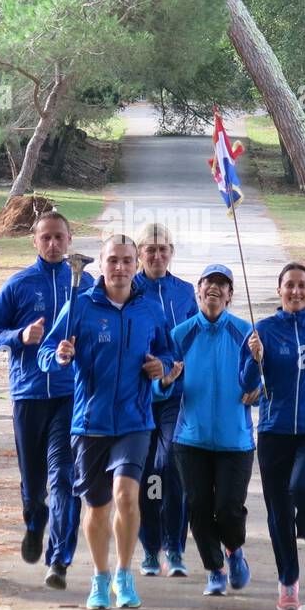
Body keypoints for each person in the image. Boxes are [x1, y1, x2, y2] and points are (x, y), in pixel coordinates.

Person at [38, 234, 176, 610]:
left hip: (135, 420)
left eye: (127, 261)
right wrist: (61, 357)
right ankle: (99, 578)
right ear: (101, 264)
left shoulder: (150, 309)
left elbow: (168, 352)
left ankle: (124, 574)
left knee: (127, 496)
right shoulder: (80, 307)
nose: (120, 268)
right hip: (90, 423)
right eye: (113, 260)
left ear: (136, 265)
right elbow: (46, 353)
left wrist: (160, 366)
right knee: (97, 506)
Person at [0, 211, 92, 589]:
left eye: (60, 237)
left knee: (64, 478)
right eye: (46, 238)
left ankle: (59, 559)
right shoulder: (19, 285)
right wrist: (20, 336)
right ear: (35, 241)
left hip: (70, 396)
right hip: (28, 393)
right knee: (34, 484)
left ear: (70, 238)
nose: (54, 244)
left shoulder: (86, 284)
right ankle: (33, 521)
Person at [240, 262, 305, 610]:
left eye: (302, 286)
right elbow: (247, 385)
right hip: (274, 432)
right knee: (279, 513)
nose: (296, 292)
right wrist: (254, 360)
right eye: (290, 286)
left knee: (302, 486)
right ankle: (288, 583)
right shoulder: (262, 332)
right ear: (280, 289)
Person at [157, 264, 258, 596]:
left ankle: (234, 550)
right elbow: (163, 387)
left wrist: (258, 369)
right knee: (198, 508)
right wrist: (166, 382)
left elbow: (256, 388)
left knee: (228, 508)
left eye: (222, 285)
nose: (214, 288)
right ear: (197, 290)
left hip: (235, 440)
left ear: (230, 295)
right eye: (208, 283)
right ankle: (215, 570)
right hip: (191, 438)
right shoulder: (180, 334)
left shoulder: (246, 333)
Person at [132, 222, 197, 578]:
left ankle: (175, 545)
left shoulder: (186, 291)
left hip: (177, 394)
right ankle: (150, 547)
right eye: (150, 249)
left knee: (171, 464)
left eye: (163, 249)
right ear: (140, 253)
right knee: (146, 471)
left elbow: (197, 340)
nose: (157, 255)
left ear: (171, 252)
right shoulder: (129, 289)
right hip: (140, 395)